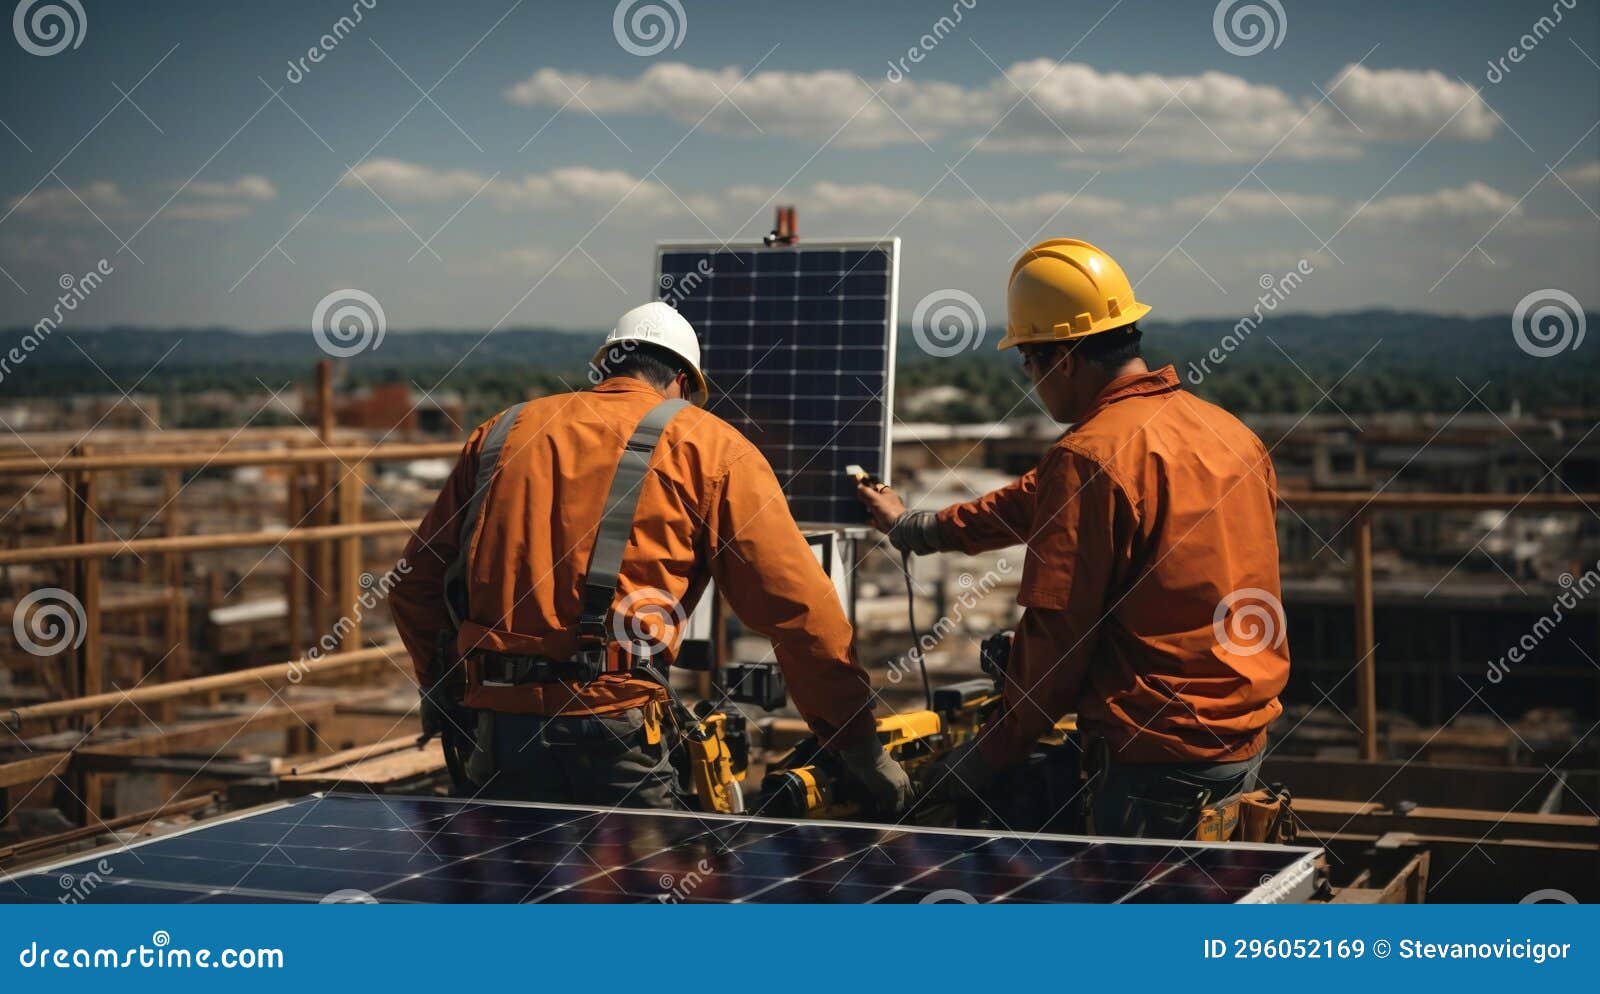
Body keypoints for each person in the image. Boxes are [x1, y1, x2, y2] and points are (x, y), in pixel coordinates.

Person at [392, 301, 909, 812]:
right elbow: (800, 613)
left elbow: (414, 584)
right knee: (643, 886)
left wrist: (448, 697)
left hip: (498, 728)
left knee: (512, 884)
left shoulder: (502, 432)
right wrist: (857, 743)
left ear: (607, 365)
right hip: (616, 732)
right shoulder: (709, 447)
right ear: (683, 384)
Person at [858, 239, 1289, 838]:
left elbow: (1057, 642)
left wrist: (983, 759)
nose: (1031, 381)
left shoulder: (1089, 455)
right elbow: (1033, 501)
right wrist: (917, 529)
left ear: (1062, 358)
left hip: (1152, 761)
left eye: (1028, 364)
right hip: (1242, 745)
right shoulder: (1229, 434)